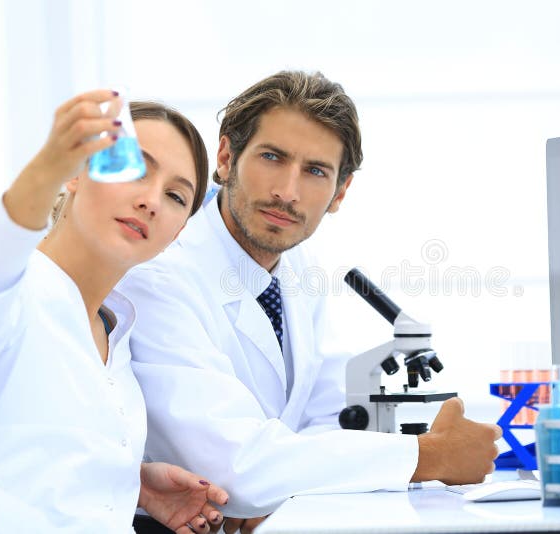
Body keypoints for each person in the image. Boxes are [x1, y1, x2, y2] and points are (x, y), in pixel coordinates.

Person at [118, 71, 502, 528]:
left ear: (340, 192)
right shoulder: (156, 275)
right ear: (225, 157)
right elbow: (233, 466)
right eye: (272, 157)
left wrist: (278, 491)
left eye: (315, 171)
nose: (288, 191)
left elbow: (327, 413)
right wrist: (429, 456)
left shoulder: (296, 267)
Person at [0, 90, 229, 533]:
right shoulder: (9, 293)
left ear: (178, 231)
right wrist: (48, 164)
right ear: (75, 174)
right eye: (134, 170)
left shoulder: (117, 333)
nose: (151, 200)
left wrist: (128, 484)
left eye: (175, 196)